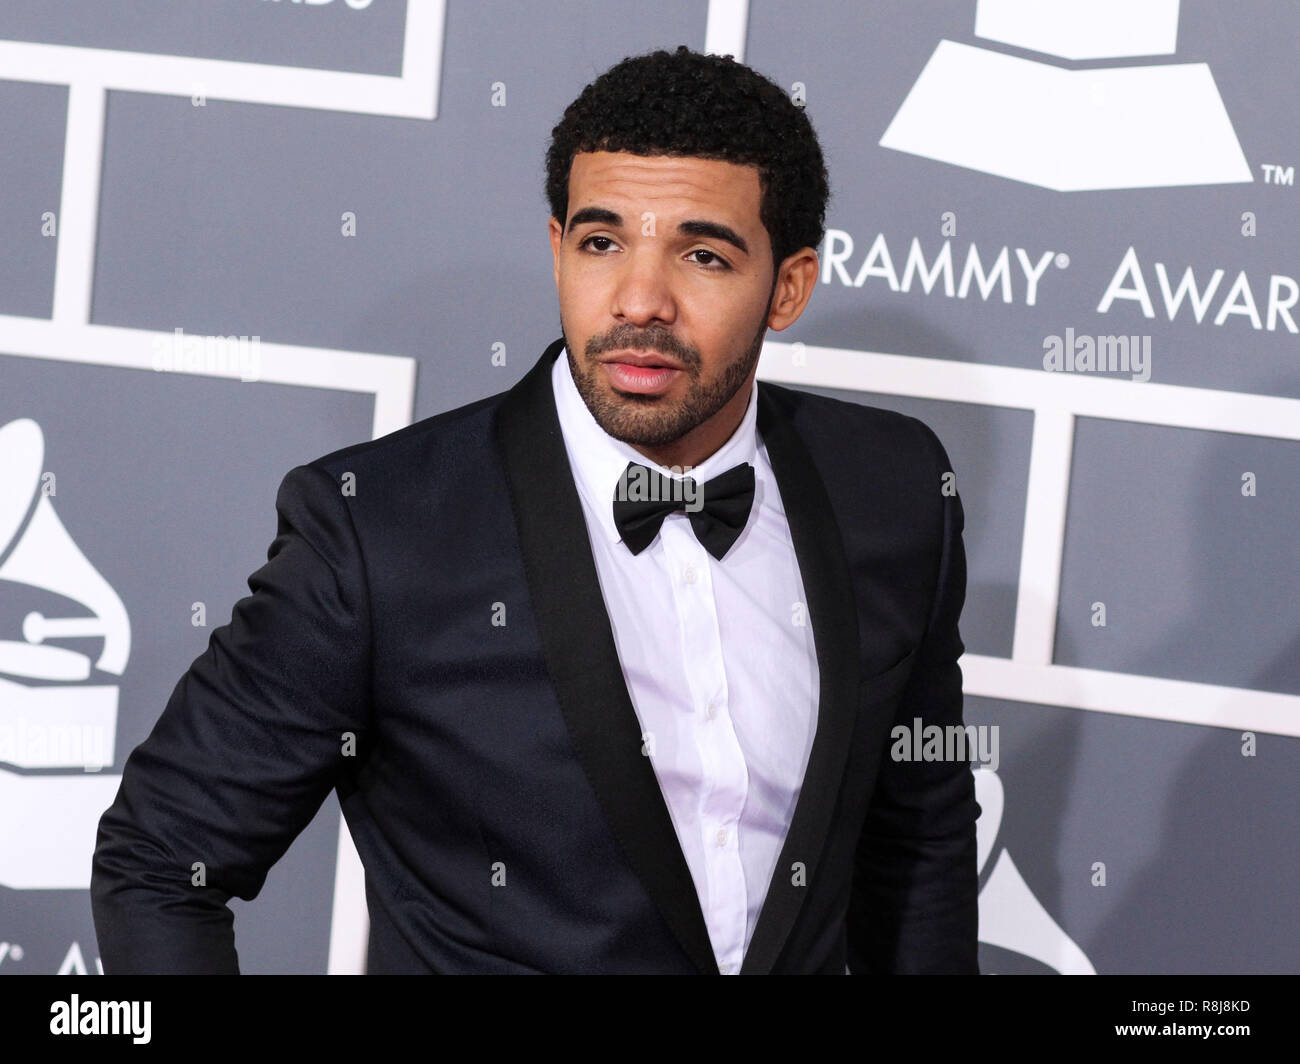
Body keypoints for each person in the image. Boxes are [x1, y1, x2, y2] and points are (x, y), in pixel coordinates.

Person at [91, 44, 979, 975]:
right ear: (557, 249)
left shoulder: (895, 487)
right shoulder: (379, 533)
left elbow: (917, 837)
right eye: (602, 243)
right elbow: (161, 864)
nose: (641, 301)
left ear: (788, 285)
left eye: (703, 255)